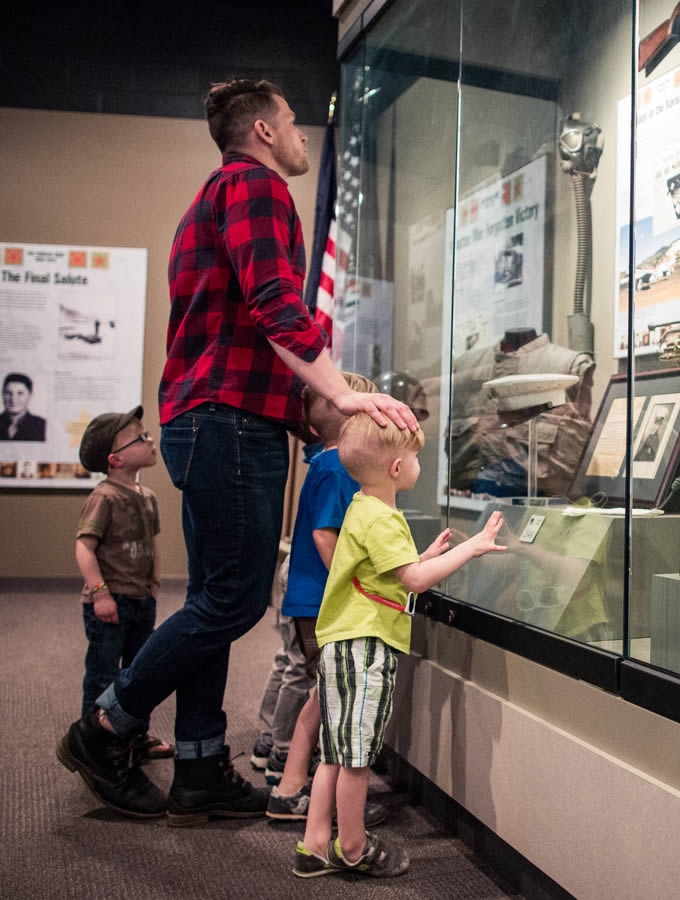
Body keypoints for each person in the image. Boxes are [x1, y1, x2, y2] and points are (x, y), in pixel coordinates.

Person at [57, 77, 417, 823]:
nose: (301, 135)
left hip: (214, 421)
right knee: (233, 600)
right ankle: (105, 726)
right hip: (227, 425)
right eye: (291, 122)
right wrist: (344, 395)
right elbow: (276, 303)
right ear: (259, 129)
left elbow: (244, 326)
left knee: (212, 598)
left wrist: (313, 411)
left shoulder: (209, 200)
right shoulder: (255, 188)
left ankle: (198, 767)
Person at [293, 412, 506, 878]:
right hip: (365, 647)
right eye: (414, 456)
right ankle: (352, 846)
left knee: (335, 748)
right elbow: (413, 581)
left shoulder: (362, 507)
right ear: (395, 468)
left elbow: (383, 571)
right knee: (357, 756)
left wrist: (424, 554)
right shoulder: (384, 518)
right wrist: (468, 549)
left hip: (342, 644)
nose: (419, 464)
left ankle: (313, 844)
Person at [256, 373, 382, 819]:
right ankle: (311, 794)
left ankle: (294, 787)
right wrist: (353, 585)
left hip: (317, 600)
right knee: (332, 697)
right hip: (319, 603)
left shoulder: (329, 463)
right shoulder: (335, 467)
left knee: (322, 693)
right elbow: (326, 534)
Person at [73, 406, 173, 765]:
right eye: (141, 437)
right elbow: (84, 547)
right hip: (110, 600)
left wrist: (154, 584)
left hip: (141, 599)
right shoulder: (104, 497)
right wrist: (100, 593)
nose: (150, 441)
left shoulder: (147, 497)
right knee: (103, 672)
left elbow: (153, 545)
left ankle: (135, 737)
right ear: (114, 459)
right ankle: (95, 741)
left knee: (138, 672)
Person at [0, 373, 46, 441]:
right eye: (8, 393)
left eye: (20, 393)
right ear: (2, 394)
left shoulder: (42, 426)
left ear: (30, 395)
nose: (13, 399)